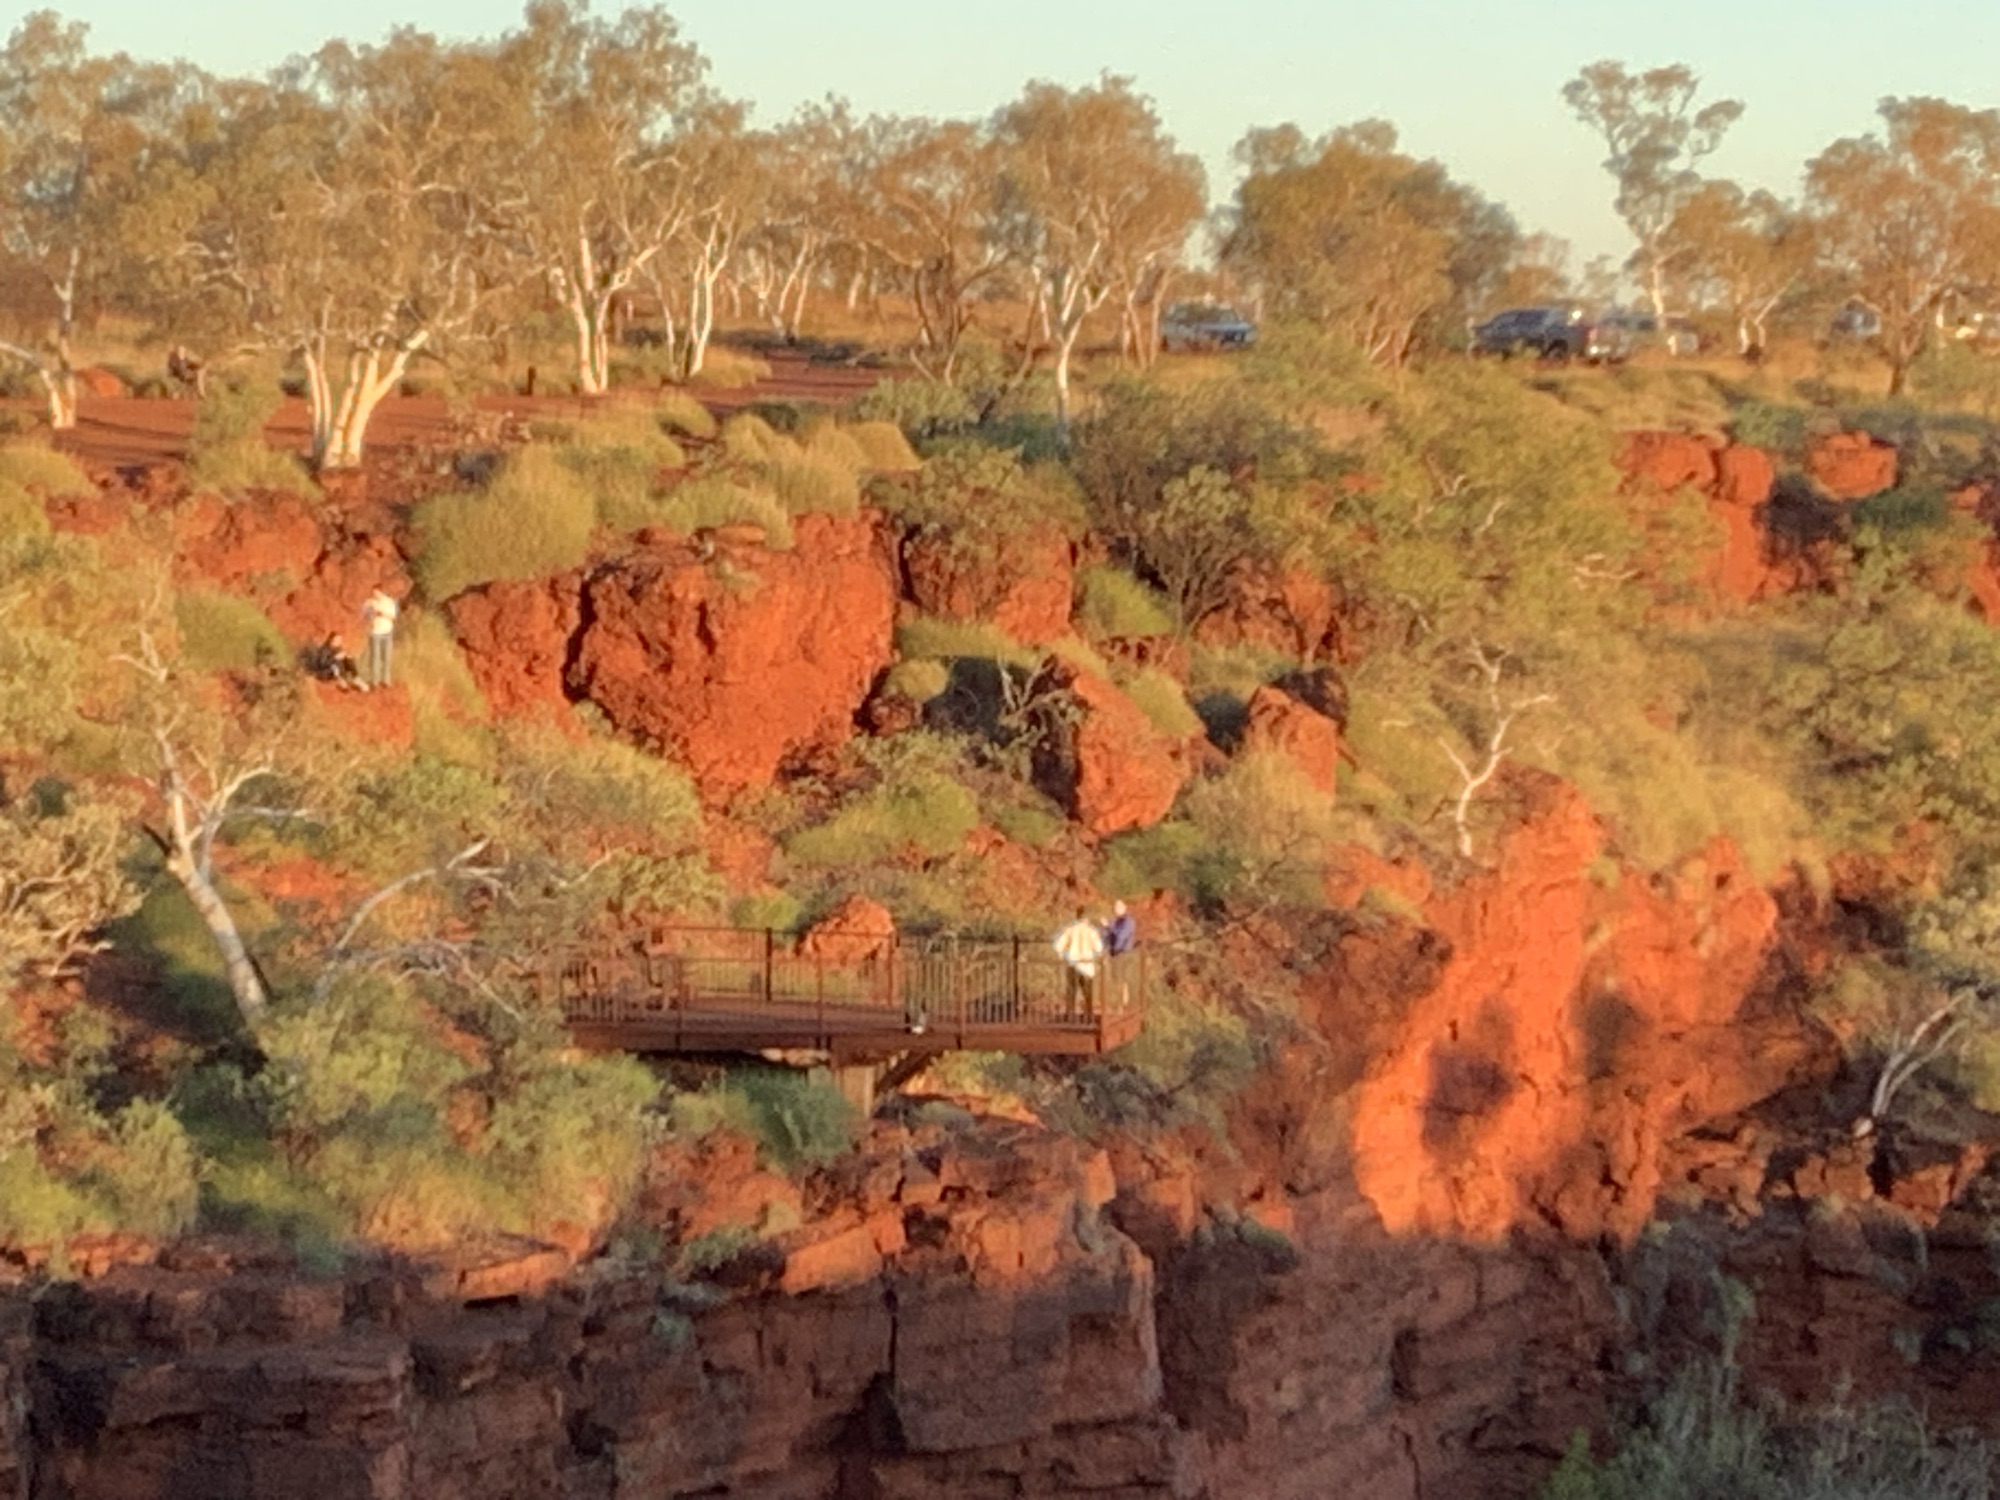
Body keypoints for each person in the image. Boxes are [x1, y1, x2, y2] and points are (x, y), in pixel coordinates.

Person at [1052, 907, 1105, 1020]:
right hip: (1086, 965)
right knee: (1088, 993)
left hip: (1073, 964)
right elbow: (1099, 948)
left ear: (1077, 916)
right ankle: (1088, 1016)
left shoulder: (1070, 929)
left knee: (1071, 991)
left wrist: (1063, 955)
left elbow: (1058, 946)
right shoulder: (1091, 931)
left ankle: (1070, 1015)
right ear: (1087, 918)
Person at [1101, 899, 1137, 1011]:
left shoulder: (1129, 921)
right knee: (1116, 979)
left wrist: (1108, 927)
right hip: (1114, 953)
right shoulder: (1115, 921)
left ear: (1124, 908)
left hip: (1124, 953)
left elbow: (1121, 936)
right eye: (1114, 907)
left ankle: (1121, 1006)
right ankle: (1119, 1004)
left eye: (1117, 907)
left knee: (1121, 979)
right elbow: (1108, 936)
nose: (1115, 909)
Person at [302, 631, 367, 691]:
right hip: (326, 672)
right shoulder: (325, 649)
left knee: (349, 659)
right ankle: (341, 682)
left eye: (340, 640)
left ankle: (356, 678)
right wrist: (335, 658)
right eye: (338, 640)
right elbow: (322, 663)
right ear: (332, 640)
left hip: (337, 671)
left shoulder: (337, 648)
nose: (340, 642)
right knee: (335, 665)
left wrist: (346, 658)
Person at [361, 587, 399, 688]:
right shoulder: (369, 602)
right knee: (375, 658)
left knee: (386, 657)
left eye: (376, 593)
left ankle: (386, 680)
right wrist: (371, 614)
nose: (375, 595)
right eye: (373, 593)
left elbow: (393, 617)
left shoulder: (389, 602)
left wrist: (382, 614)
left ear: (381, 592)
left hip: (387, 632)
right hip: (375, 632)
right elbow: (363, 616)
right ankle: (375, 681)